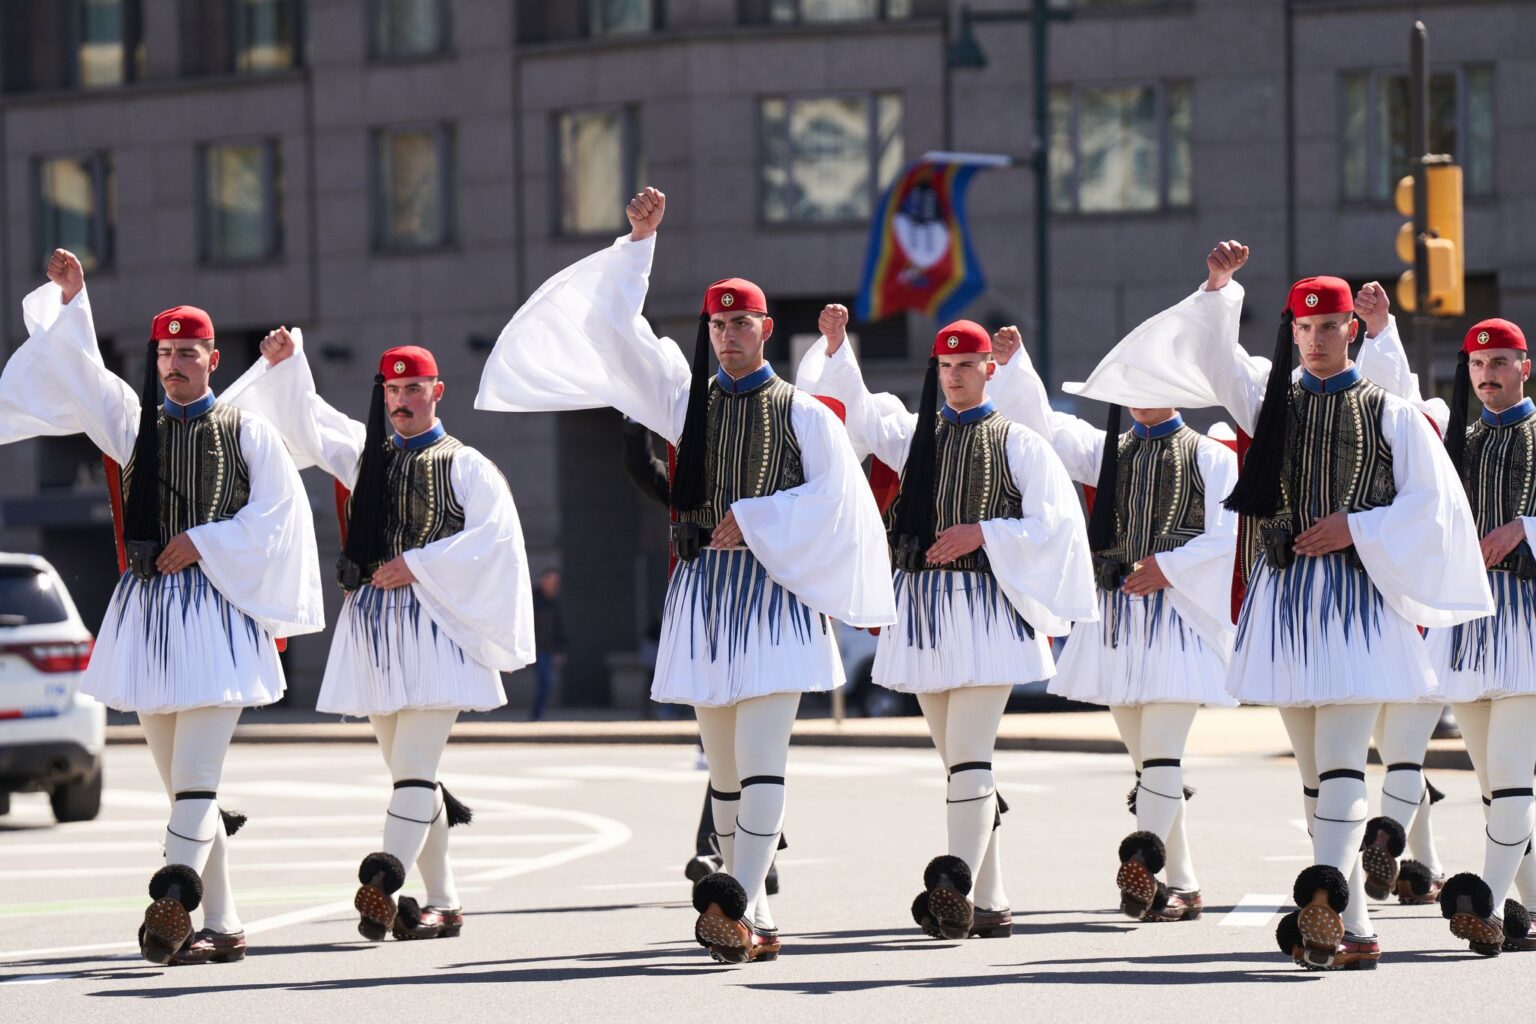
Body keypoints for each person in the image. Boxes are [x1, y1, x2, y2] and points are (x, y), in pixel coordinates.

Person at [476, 187, 896, 963]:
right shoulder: (684, 401)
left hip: (774, 600)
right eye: (719, 323)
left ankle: (732, 903)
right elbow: (613, 331)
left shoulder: (805, 414)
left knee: (764, 757)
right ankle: (753, 912)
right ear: (707, 329)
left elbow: (836, 500)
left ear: (766, 330)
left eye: (743, 323)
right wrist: (638, 246)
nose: (731, 334)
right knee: (726, 771)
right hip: (705, 599)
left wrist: (760, 522)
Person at [1067, 241, 1491, 970]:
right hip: (1287, 601)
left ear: (1349, 330)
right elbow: (1216, 359)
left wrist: (1357, 525)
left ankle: (1322, 901)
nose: (1317, 337)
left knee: (1341, 765)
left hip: (1358, 604)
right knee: (1311, 770)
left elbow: (1433, 506)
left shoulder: (1389, 413)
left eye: (1329, 326)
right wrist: (1220, 290)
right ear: (1292, 330)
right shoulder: (1272, 406)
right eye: (1305, 326)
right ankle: (1348, 920)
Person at [0, 250, 324, 965]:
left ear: (212, 358)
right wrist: (73, 299)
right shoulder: (131, 424)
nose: (174, 364)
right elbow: (82, 374)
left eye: (188, 353)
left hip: (216, 620)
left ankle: (172, 900)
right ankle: (228, 923)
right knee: (184, 788)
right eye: (166, 352)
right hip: (147, 623)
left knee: (197, 782)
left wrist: (205, 542)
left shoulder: (248, 432)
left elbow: (278, 519)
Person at [223, 327, 534, 943]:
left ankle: (382, 883)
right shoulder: (370, 458)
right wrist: (289, 365)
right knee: (410, 777)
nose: (402, 401)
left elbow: (495, 541)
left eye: (414, 389)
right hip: (377, 636)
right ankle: (444, 901)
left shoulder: (468, 466)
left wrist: (416, 564)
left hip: (441, 632)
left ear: (437, 391)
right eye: (393, 390)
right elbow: (309, 422)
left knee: (415, 771)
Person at [797, 306, 1096, 940]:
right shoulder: (917, 435)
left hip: (988, 612)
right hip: (925, 615)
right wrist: (834, 346)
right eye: (947, 366)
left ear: (990, 370)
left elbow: (1057, 527)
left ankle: (950, 890)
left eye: (967, 366)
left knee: (969, 759)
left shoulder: (1020, 443)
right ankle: (991, 899)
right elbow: (861, 409)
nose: (956, 377)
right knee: (960, 763)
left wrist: (981, 533)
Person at [984, 291, 1240, 924]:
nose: (1140, 392)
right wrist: (1016, 370)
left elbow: (1228, 534)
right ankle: (1181, 881)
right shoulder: (1109, 451)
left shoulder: (1211, 456)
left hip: (1179, 620)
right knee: (1148, 762)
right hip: (1121, 625)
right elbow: (1040, 433)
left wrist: (1168, 568)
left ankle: (1140, 867)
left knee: (1161, 757)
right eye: (1131, 382)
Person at [1355, 313, 1536, 954]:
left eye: (1500, 363)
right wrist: (1379, 332)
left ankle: (1482, 905)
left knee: (1513, 779)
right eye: (1478, 366)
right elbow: (1394, 404)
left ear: (1525, 367)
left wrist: (1525, 531)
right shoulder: (1455, 442)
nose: (1488, 375)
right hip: (1466, 632)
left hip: (1527, 629)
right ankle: (1532, 908)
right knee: (1495, 788)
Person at [530, 570, 567, 721]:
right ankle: (536, 715)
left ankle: (536, 714)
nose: (553, 585)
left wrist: (561, 649)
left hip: (548, 648)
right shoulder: (533, 599)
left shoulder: (556, 602)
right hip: (536, 648)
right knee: (545, 680)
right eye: (551, 581)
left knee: (546, 681)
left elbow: (560, 628)